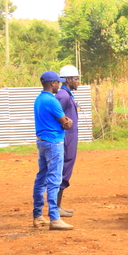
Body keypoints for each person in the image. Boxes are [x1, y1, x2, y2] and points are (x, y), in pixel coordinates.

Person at [32, 71, 74, 231]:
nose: (59, 85)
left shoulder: (39, 99)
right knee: (54, 180)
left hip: (42, 142)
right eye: (57, 82)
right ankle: (54, 218)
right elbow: (65, 122)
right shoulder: (52, 101)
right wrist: (67, 122)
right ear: (52, 83)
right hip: (54, 143)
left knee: (41, 179)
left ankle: (37, 216)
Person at [55, 65, 81, 218]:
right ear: (69, 79)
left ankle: (58, 206)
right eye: (76, 79)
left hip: (70, 140)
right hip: (65, 140)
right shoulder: (63, 96)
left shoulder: (67, 94)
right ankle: (55, 207)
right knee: (62, 172)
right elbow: (57, 117)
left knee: (66, 171)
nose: (78, 82)